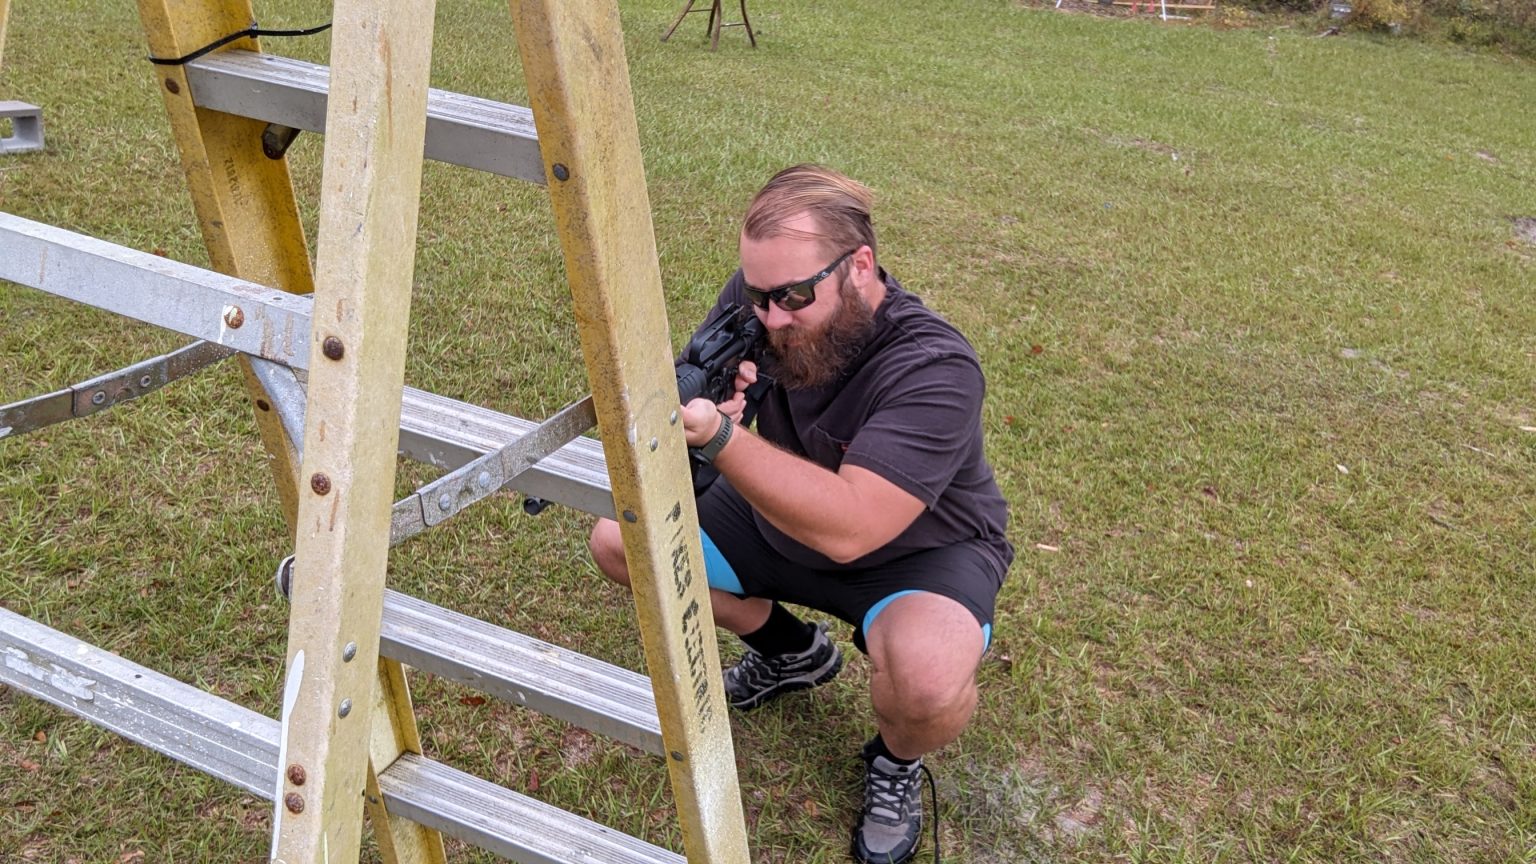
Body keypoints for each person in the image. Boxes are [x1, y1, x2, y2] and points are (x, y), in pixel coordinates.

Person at [588, 164, 1013, 864]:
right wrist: (714, 399)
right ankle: (794, 653)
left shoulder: (936, 366)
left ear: (860, 266)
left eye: (792, 297)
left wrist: (723, 439)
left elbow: (852, 525)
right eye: (758, 296)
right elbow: (699, 375)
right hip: (773, 517)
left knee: (929, 681)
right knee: (619, 544)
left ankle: (896, 760)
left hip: (917, 554)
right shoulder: (763, 301)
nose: (772, 318)